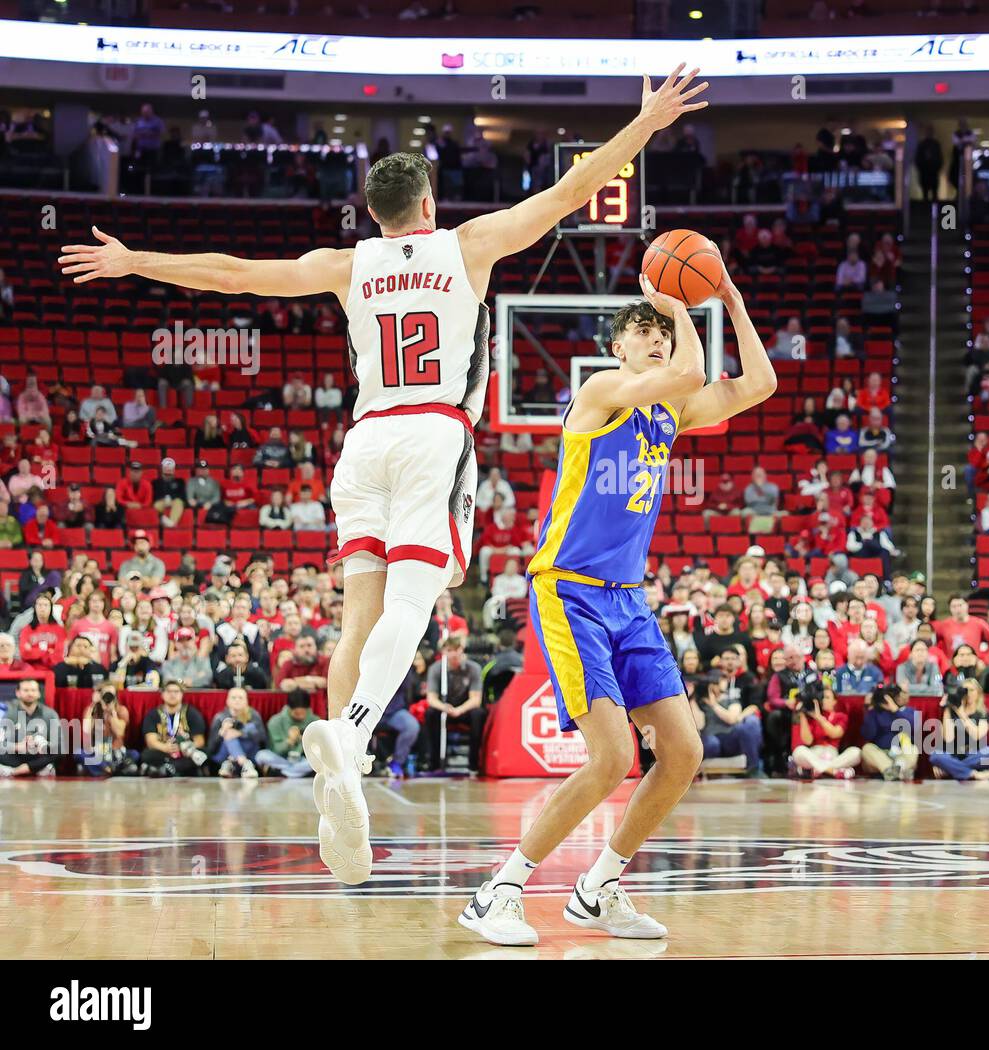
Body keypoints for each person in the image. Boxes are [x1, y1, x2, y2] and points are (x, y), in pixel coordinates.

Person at [62, 67, 710, 894]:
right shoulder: (469, 245)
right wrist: (647, 121)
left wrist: (132, 259)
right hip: (433, 431)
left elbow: (236, 274)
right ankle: (358, 731)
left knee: (358, 617)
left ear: (375, 214)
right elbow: (574, 187)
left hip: (362, 439)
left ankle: (346, 776)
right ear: (431, 204)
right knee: (415, 598)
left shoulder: (349, 262)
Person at [463, 203, 780, 944]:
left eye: (659, 331)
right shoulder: (600, 393)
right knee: (612, 757)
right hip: (566, 589)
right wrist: (675, 299)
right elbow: (694, 369)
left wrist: (728, 299)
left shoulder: (673, 411)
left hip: (630, 600)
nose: (651, 338)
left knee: (685, 751)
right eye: (640, 330)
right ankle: (498, 891)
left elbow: (758, 382)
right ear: (616, 346)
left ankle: (599, 886)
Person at [421, 635, 485, 773]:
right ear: (444, 651)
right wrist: (444, 707)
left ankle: (473, 764)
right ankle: (435, 762)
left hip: (465, 708)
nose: (454, 654)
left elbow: (476, 699)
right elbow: (431, 698)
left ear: (462, 650)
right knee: (431, 713)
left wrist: (460, 710)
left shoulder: (474, 668)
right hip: (444, 708)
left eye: (457, 649)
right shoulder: (436, 669)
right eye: (450, 650)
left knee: (478, 714)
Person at [931, 679, 989, 781]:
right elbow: (948, 738)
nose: (968, 693)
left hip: (975, 755)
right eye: (965, 690)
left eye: (972, 690)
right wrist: (948, 708)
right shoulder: (952, 711)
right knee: (935, 755)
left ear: (978, 693)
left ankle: (951, 769)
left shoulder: (983, 713)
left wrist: (961, 713)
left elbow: (977, 735)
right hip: (954, 755)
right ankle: (973, 773)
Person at [790, 685, 861, 779]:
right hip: (814, 754)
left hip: (832, 754)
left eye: (827, 698)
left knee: (856, 752)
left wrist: (819, 718)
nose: (824, 700)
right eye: (822, 698)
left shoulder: (840, 716)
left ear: (834, 701)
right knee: (798, 751)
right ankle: (834, 771)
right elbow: (807, 741)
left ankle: (817, 770)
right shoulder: (812, 717)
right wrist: (802, 715)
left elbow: (835, 733)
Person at [139, 680, 208, 777]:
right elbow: (151, 741)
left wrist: (184, 747)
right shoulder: (153, 714)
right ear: (162, 694)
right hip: (163, 751)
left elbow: (200, 741)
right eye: (169, 691)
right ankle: (171, 768)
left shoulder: (192, 713)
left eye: (176, 692)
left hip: (184, 753)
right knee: (146, 754)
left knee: (203, 754)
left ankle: (166, 769)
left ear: (182, 694)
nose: (172, 695)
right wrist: (165, 748)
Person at [859, 681, 920, 780]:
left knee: (913, 749)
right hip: (881, 754)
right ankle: (892, 771)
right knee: (867, 748)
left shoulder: (910, 711)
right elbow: (868, 735)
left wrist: (895, 710)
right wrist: (872, 710)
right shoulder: (874, 713)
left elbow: (913, 728)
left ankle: (897, 769)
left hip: (901, 754)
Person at [256, 689, 321, 777]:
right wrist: (289, 741)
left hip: (303, 760)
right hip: (281, 759)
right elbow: (276, 750)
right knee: (261, 755)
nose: (300, 716)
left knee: (319, 760)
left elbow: (318, 749)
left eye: (303, 713)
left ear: (308, 709)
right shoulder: (275, 721)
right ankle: (295, 772)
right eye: (297, 713)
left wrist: (304, 740)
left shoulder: (315, 722)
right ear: (289, 709)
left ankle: (285, 773)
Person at [208, 686, 269, 779]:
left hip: (250, 753)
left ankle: (236, 761)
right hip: (224, 756)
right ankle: (245, 764)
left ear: (246, 701)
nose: (237, 700)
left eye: (240, 698)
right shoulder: (220, 717)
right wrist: (222, 732)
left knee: (250, 727)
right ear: (227, 701)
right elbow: (211, 747)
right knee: (228, 734)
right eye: (233, 697)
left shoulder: (254, 715)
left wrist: (241, 733)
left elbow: (262, 738)